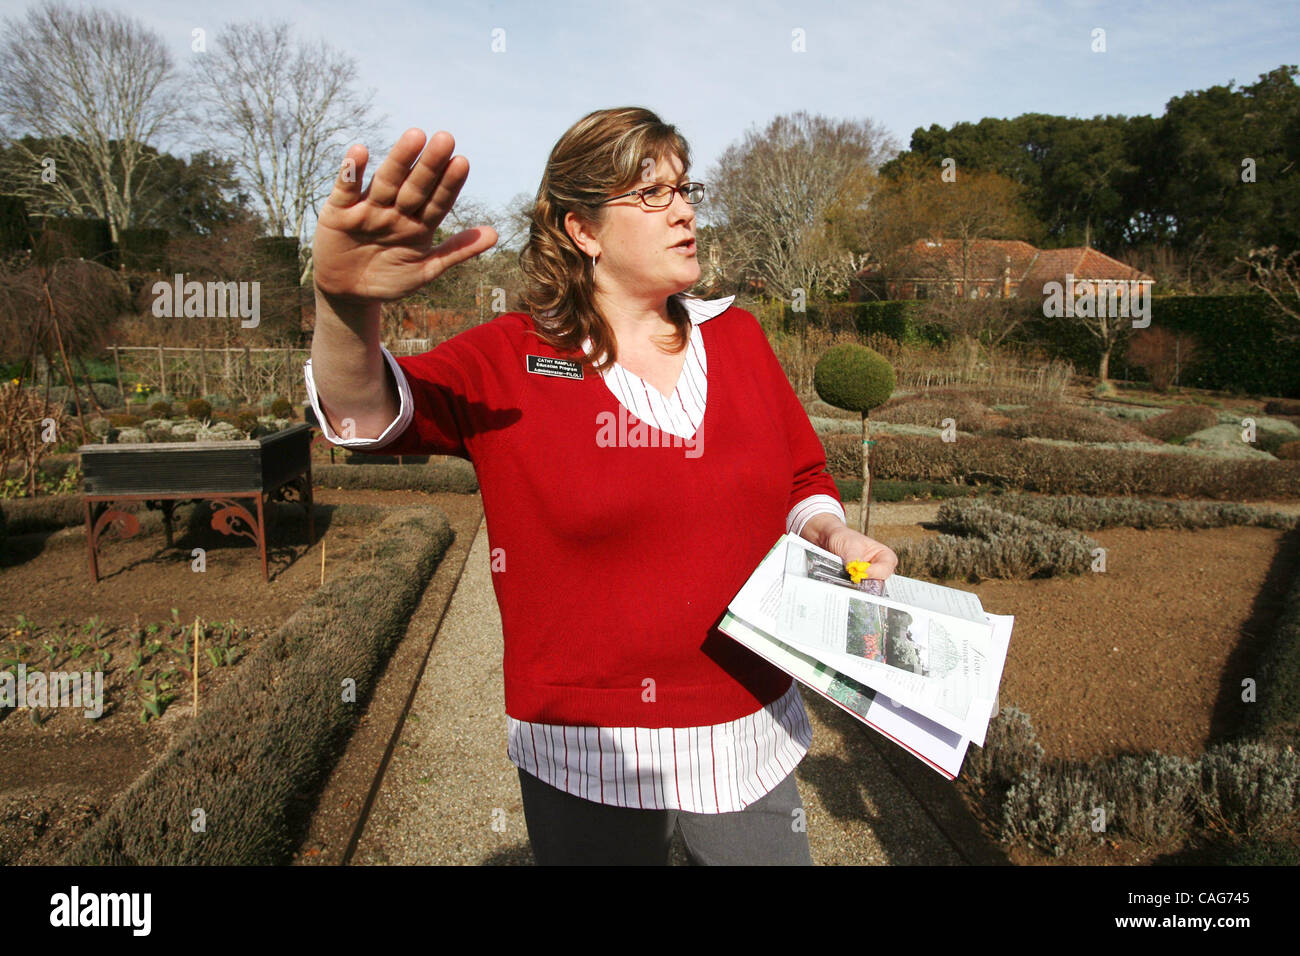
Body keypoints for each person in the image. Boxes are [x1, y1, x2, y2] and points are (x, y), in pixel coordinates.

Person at [304, 106, 898, 865]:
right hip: (588, 756)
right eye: (652, 195)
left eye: (686, 189)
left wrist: (828, 531)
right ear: (581, 230)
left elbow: (802, 478)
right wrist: (346, 310)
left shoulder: (739, 337)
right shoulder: (510, 359)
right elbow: (359, 416)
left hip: (750, 734)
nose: (683, 209)